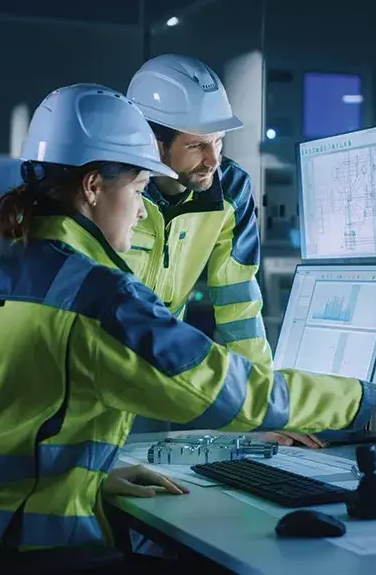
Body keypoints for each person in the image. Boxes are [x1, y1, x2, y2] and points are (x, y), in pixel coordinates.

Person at [0, 84, 376, 575]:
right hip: (30, 555)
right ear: (92, 188)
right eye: (136, 189)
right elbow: (228, 390)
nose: (139, 210)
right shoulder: (98, 298)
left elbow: (4, 433)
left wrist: (95, 480)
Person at [124, 54, 320, 447]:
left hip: (154, 375)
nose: (213, 160)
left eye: (218, 141)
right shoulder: (114, 190)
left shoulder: (230, 190)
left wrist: (262, 411)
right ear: (153, 143)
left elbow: (239, 307)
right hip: (89, 374)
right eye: (197, 146)